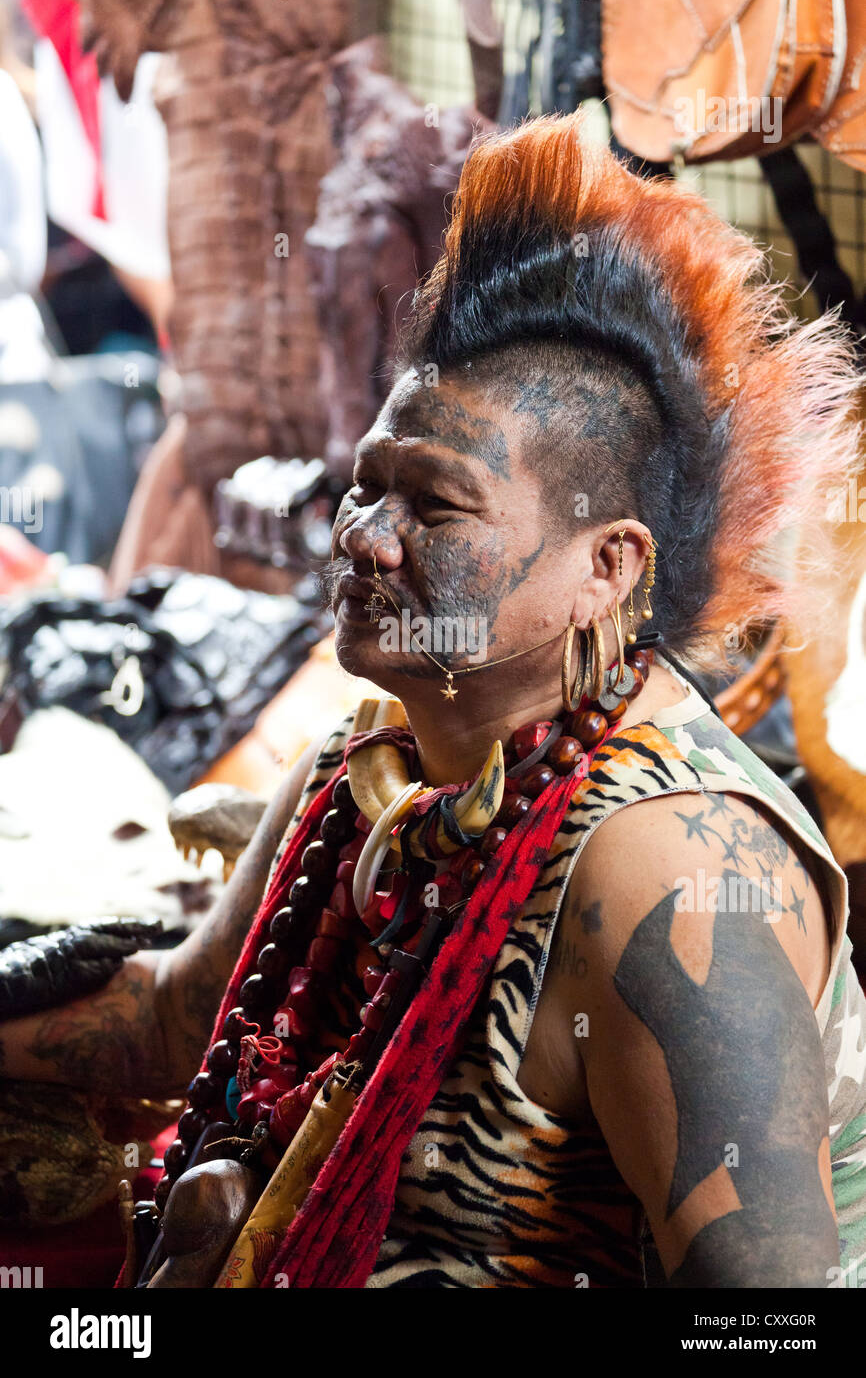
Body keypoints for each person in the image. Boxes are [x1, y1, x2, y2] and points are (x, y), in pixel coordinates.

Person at [3, 112, 866, 1289]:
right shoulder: (380, 756)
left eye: (435, 507)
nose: (365, 539)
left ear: (602, 568)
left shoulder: (670, 869)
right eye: (367, 486)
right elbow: (175, 1016)